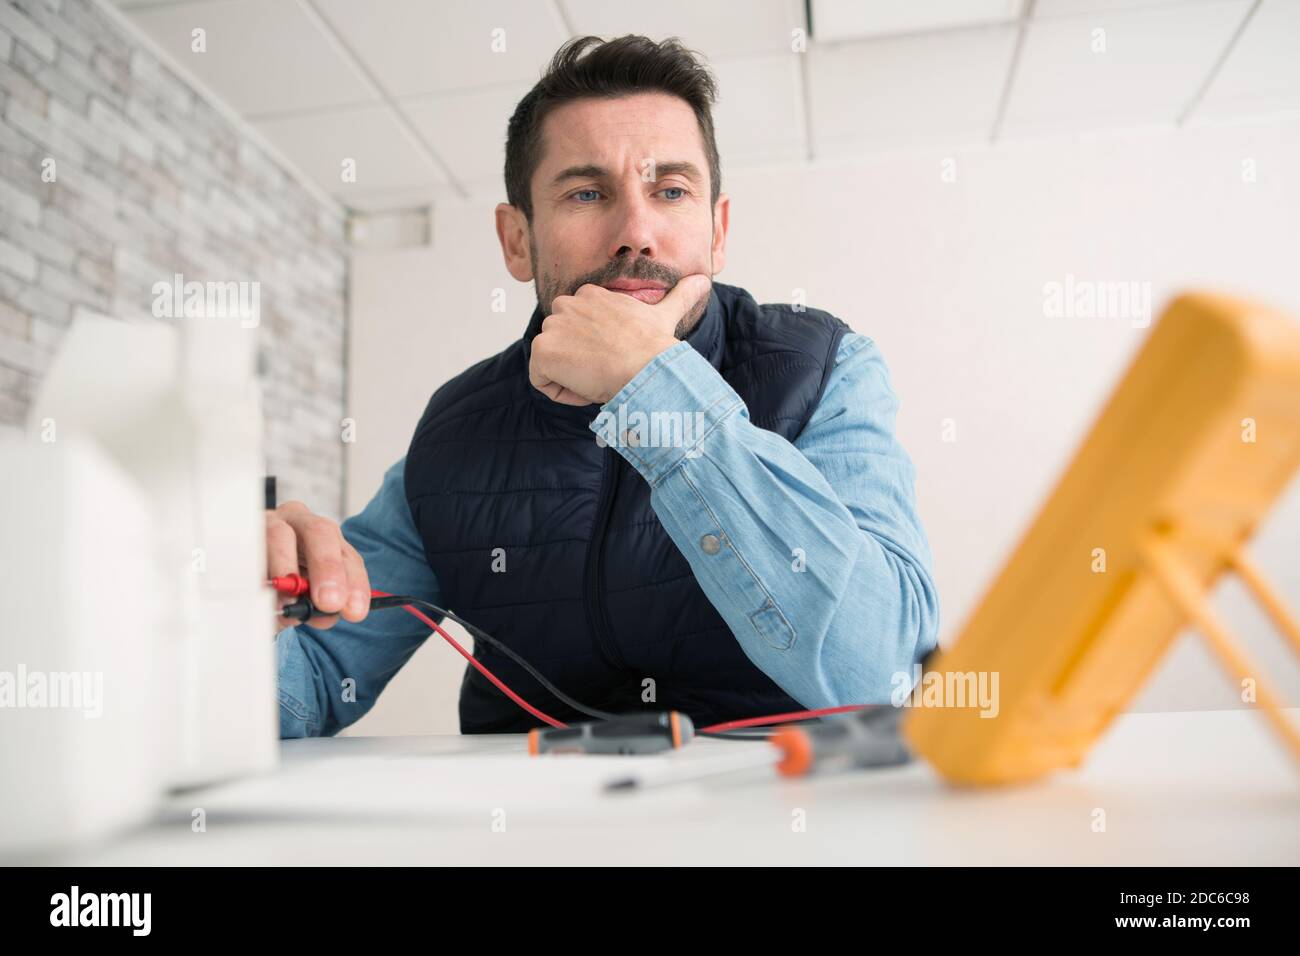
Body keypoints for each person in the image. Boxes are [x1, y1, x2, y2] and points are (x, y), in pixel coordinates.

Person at [272, 35, 940, 736]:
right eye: (587, 193)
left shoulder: (826, 367)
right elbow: (311, 681)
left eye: (671, 191)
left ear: (717, 230)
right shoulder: (454, 432)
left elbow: (892, 675)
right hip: (535, 836)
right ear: (517, 241)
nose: (636, 233)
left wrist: (652, 389)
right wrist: (228, 620)